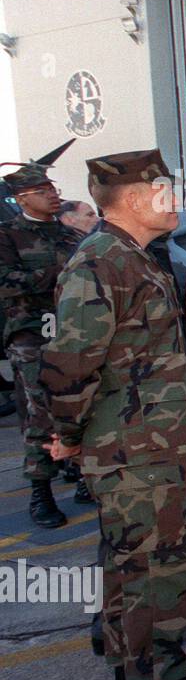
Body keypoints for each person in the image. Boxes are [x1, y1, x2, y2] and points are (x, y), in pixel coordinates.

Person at [40, 148, 186, 680]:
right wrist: (66, 433)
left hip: (145, 446)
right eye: (164, 192)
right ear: (133, 200)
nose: (175, 200)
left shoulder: (130, 258)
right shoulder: (102, 262)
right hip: (134, 452)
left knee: (129, 572)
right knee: (159, 577)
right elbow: (71, 360)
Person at [0, 163, 84, 527]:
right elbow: (6, 282)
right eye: (41, 189)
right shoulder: (7, 235)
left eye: (52, 186)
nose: (52, 193)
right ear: (21, 198)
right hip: (31, 335)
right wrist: (54, 275)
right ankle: (41, 492)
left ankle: (82, 474)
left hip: (72, 333)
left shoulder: (69, 237)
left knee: (80, 402)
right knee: (39, 410)